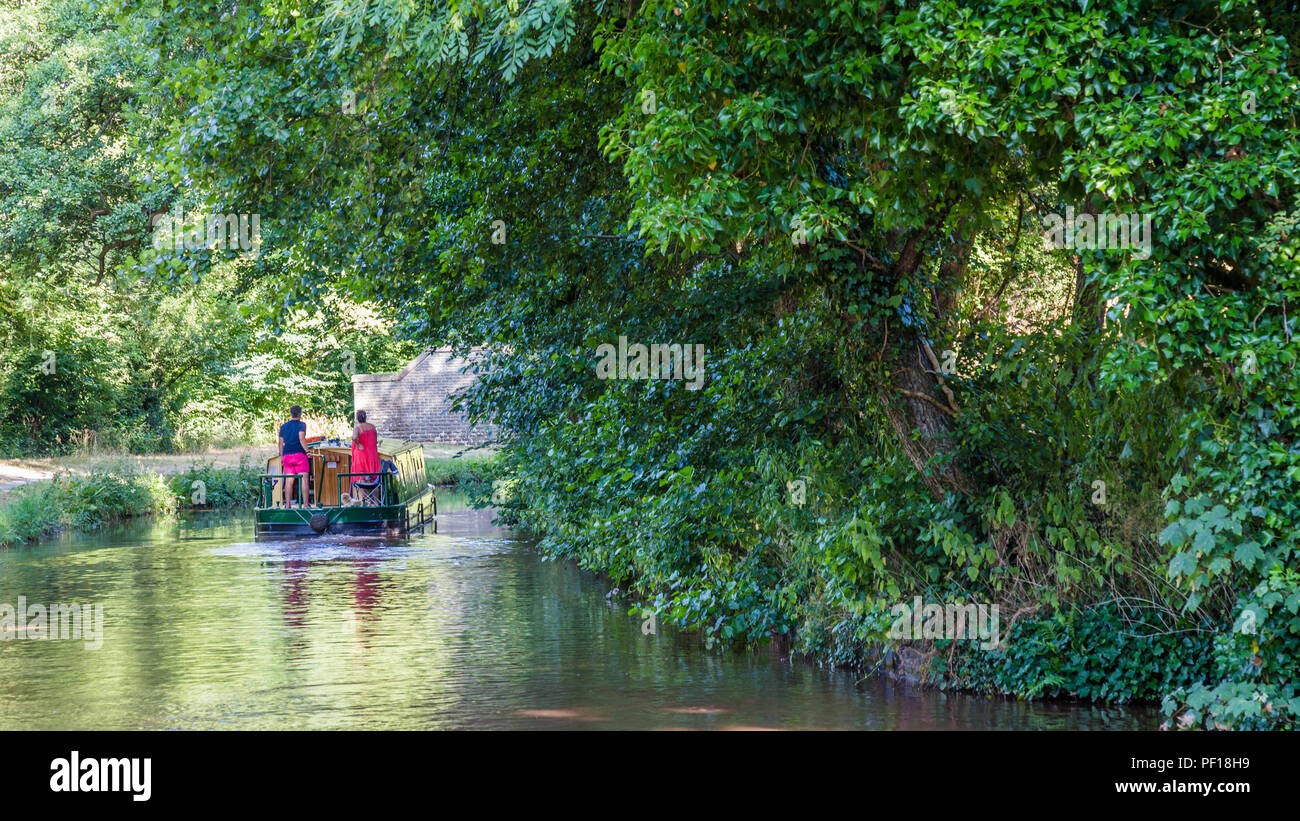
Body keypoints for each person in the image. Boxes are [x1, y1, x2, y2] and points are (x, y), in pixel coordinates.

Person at [278, 405, 310, 507]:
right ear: (300, 413)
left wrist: (281, 456)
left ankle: (287, 505)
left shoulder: (283, 426)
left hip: (287, 456)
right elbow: (301, 437)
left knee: (289, 480)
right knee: (304, 479)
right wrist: (307, 451)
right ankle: (305, 504)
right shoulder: (302, 425)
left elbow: (280, 442)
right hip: (300, 455)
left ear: (291, 413)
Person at [350, 410, 382, 503]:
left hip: (361, 455)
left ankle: (366, 500)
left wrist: (358, 444)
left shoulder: (357, 428)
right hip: (372, 455)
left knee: (362, 477)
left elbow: (354, 437)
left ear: (357, 418)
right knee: (374, 478)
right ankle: (376, 502)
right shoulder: (372, 427)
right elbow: (375, 439)